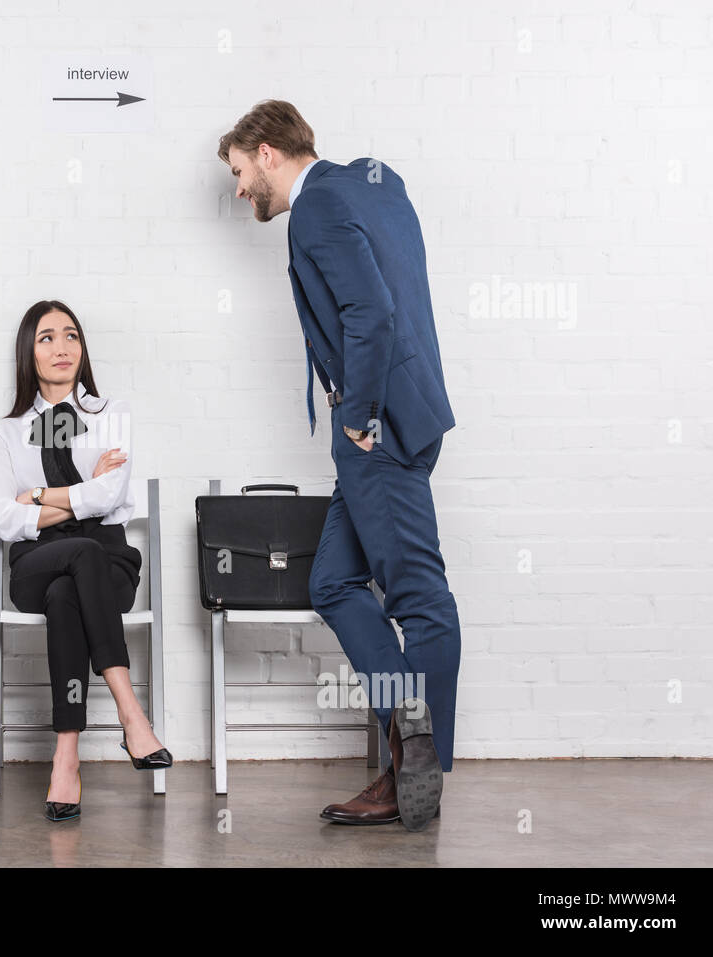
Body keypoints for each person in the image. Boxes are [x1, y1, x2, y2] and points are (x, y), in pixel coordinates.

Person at [218, 100, 461, 831]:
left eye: (237, 172)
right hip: (409, 411)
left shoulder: (315, 207)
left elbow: (372, 313)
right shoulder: (374, 183)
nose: (238, 192)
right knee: (332, 581)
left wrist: (355, 414)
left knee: (418, 594)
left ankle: (416, 762)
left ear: (267, 152)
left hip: (377, 425)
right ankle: (406, 731)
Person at [0, 300, 172, 822]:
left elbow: (111, 498)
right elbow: (1, 519)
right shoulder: (9, 431)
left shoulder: (111, 413)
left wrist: (37, 497)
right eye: (46, 338)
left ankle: (65, 756)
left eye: (71, 336)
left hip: (106, 561)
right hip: (35, 562)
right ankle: (130, 713)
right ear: (29, 352)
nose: (62, 347)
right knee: (75, 555)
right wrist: (79, 491)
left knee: (71, 585)